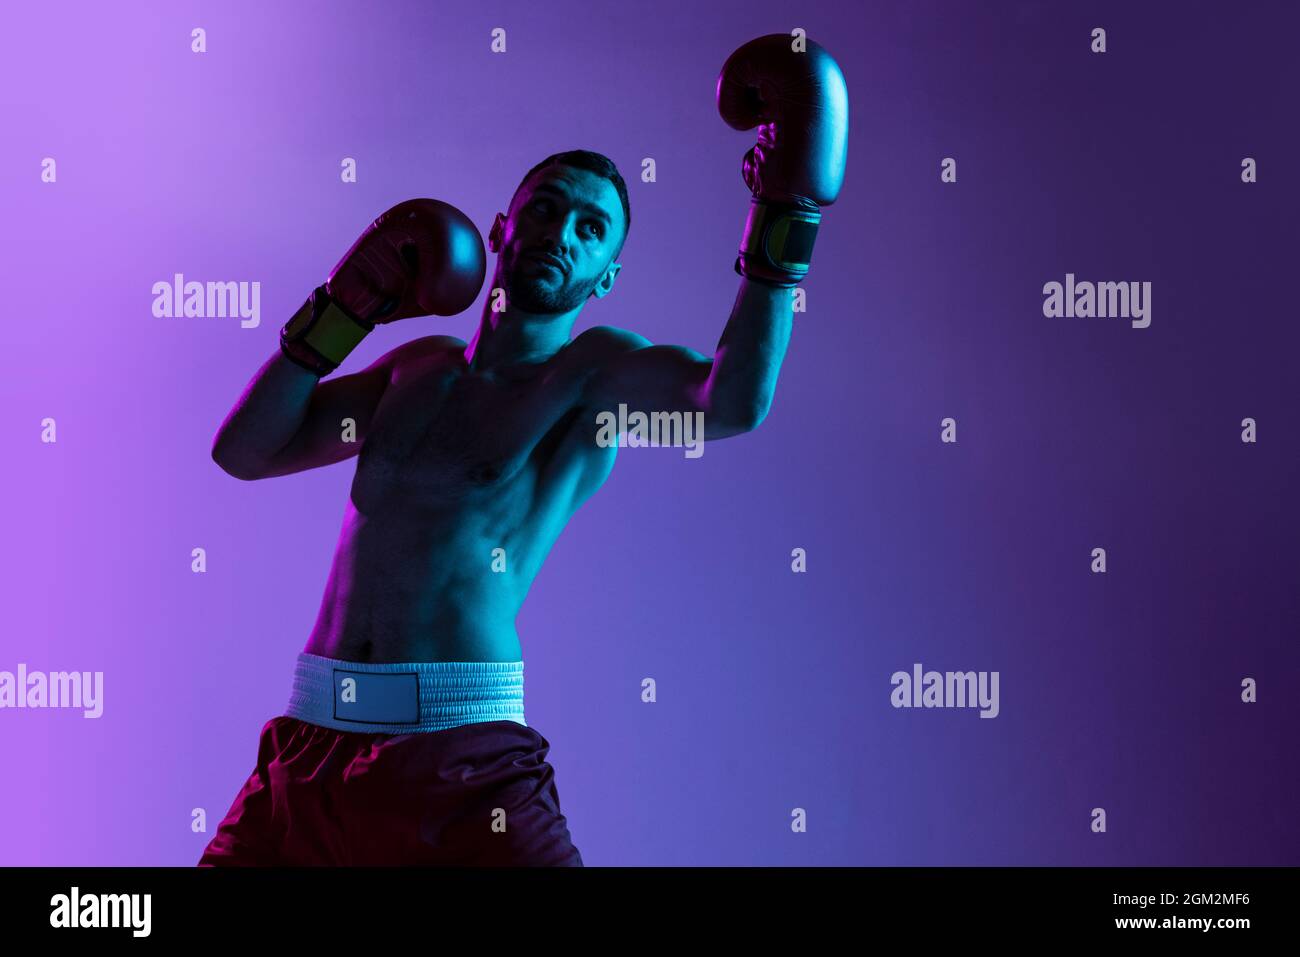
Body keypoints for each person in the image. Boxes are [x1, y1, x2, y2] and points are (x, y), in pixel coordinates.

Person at [198, 34, 848, 866]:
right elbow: (244, 451)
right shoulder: (414, 369)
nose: (561, 234)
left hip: (461, 758)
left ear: (605, 274)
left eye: (590, 228)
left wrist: (785, 219)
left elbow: (730, 403)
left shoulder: (589, 381)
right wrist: (341, 311)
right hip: (309, 745)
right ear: (505, 225)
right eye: (545, 209)